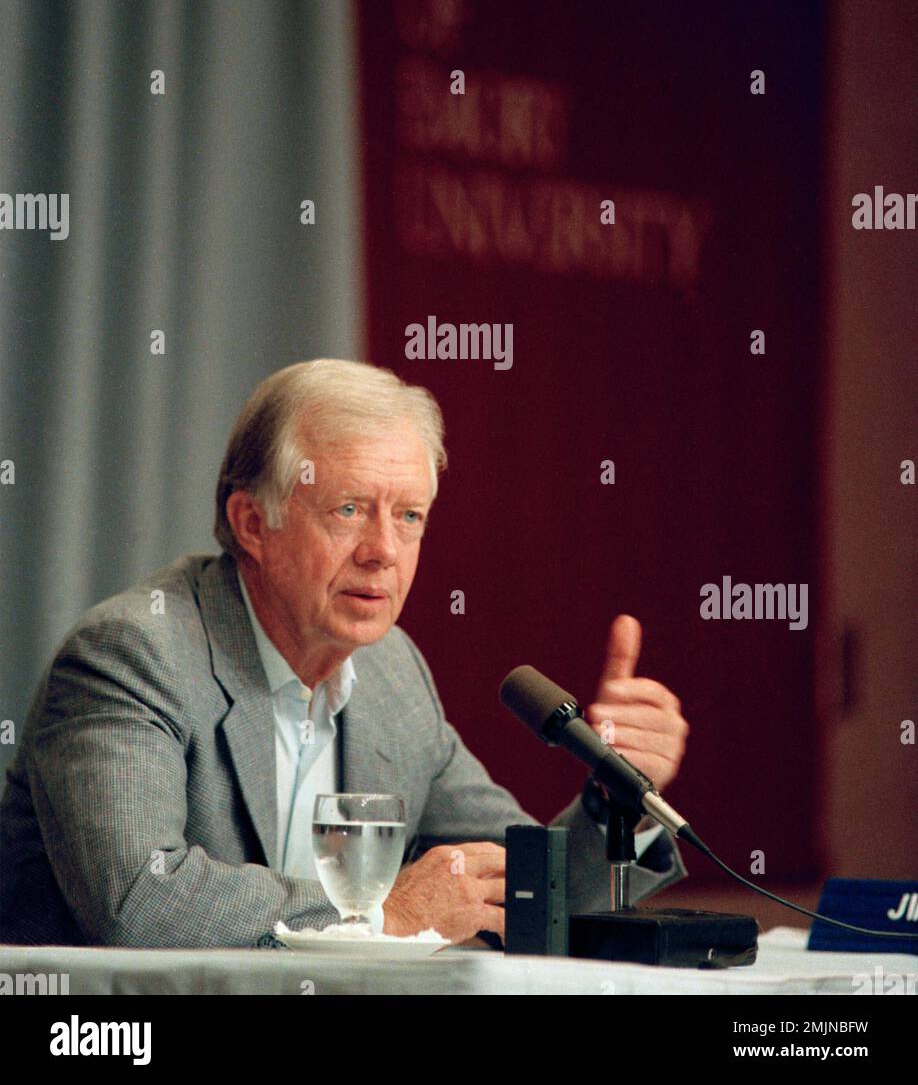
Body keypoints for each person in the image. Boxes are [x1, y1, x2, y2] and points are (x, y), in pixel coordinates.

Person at [0, 360, 689, 948]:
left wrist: (611, 802)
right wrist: (378, 918)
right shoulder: (133, 654)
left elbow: (524, 889)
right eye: (349, 510)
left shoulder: (392, 674)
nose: (383, 550)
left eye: (409, 516)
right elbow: (137, 900)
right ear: (253, 523)